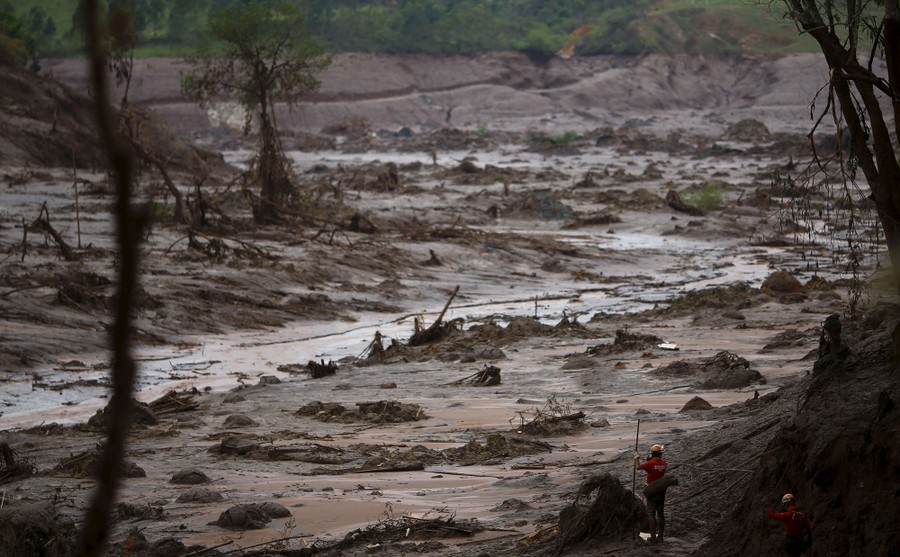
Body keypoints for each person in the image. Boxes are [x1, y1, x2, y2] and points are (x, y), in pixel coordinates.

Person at [634, 443, 668, 542]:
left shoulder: (650, 464)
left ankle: (653, 537)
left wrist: (636, 458)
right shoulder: (664, 463)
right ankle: (660, 536)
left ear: (652, 453)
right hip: (661, 491)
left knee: (651, 513)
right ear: (660, 454)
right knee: (660, 514)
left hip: (651, 490)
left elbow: (638, 467)